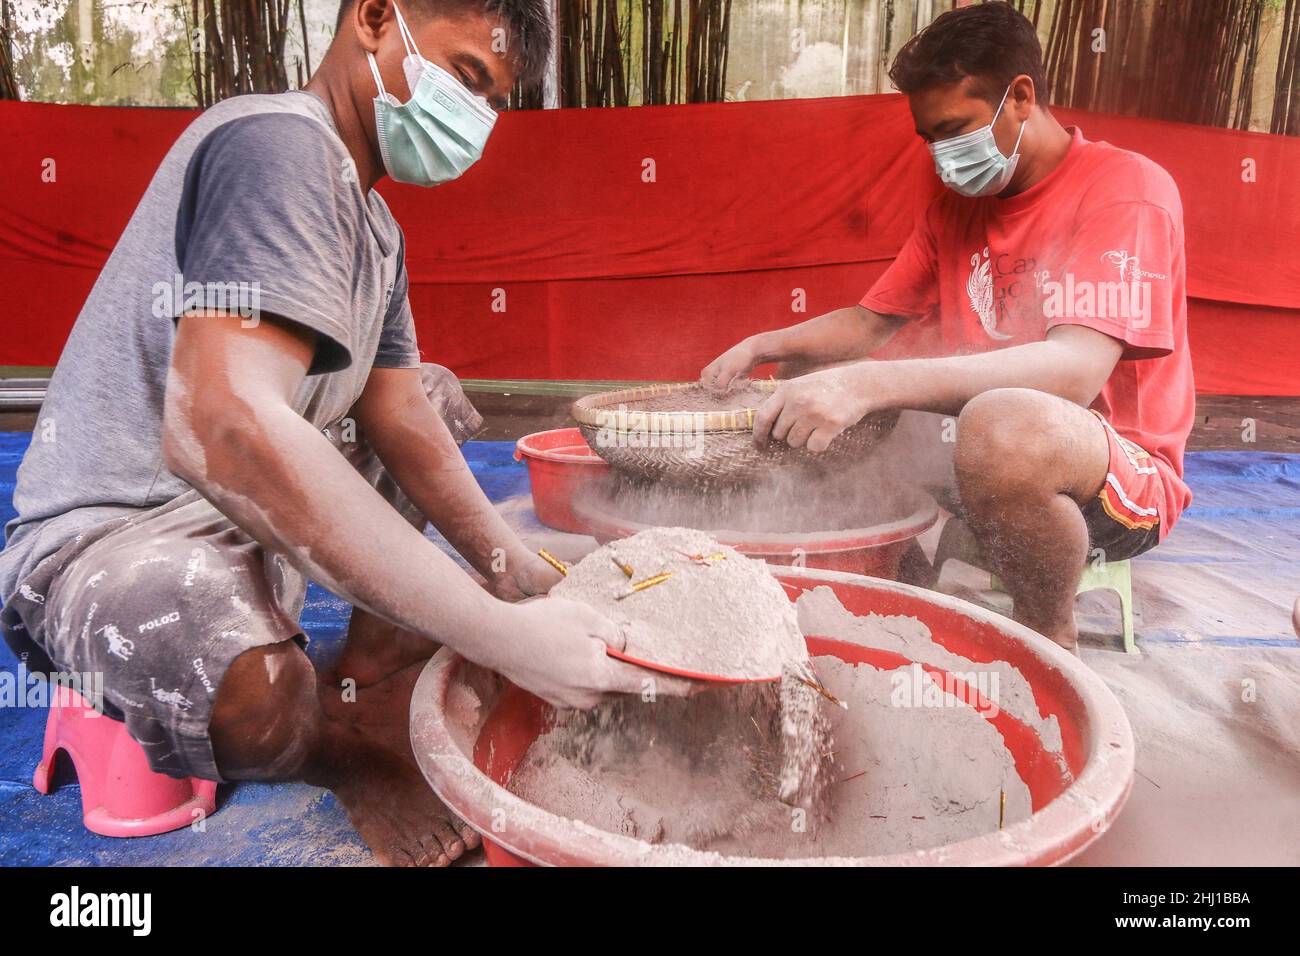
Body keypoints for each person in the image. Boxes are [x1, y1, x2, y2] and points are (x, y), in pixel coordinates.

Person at [0, 0, 676, 868]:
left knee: (431, 393)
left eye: (491, 102)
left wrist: (519, 575)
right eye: (465, 77)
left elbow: (397, 414)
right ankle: (344, 757)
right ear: (371, 19)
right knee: (256, 689)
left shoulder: (376, 230)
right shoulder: (278, 146)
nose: (473, 120)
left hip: (239, 520)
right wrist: (496, 634)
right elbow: (223, 427)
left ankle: (371, 665)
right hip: (117, 538)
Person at [702, 1, 1194, 652]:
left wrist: (872, 387)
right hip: (978, 452)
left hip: (1113, 479)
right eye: (928, 137)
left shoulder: (1124, 189)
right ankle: (894, 579)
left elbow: (1074, 372)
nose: (942, 154)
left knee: (1001, 421)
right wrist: (763, 346)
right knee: (806, 381)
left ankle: (1048, 639)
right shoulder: (955, 206)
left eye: (954, 128)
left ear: (1020, 97)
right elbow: (868, 323)